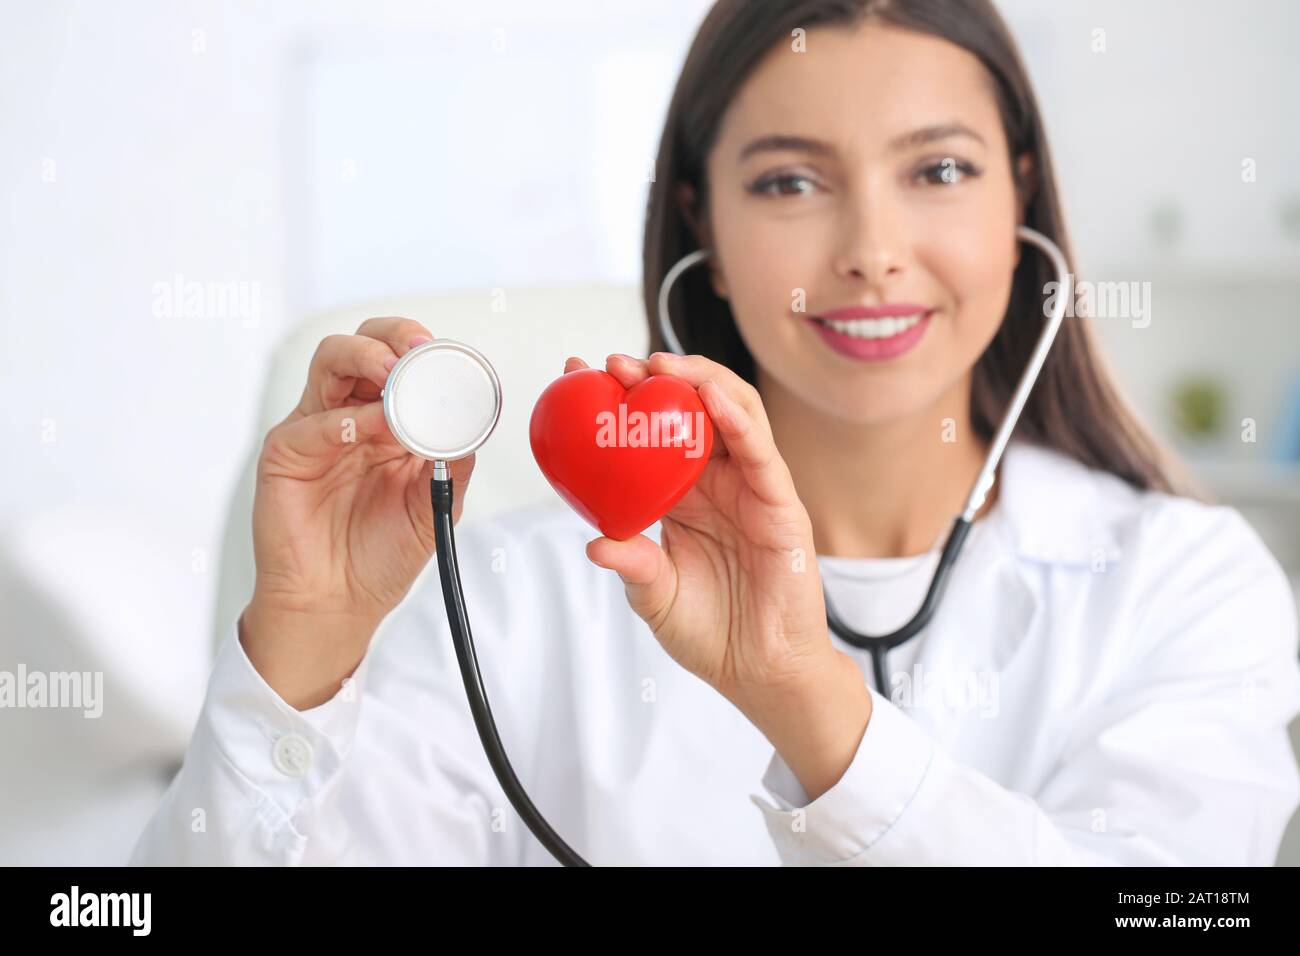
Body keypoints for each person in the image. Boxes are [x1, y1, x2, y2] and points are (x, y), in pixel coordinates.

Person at [131, 0, 1300, 866]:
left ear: (1021, 198)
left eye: (939, 169)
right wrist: (296, 664)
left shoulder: (1186, 582)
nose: (872, 249)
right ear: (703, 219)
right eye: (790, 183)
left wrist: (812, 705)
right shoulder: (495, 596)